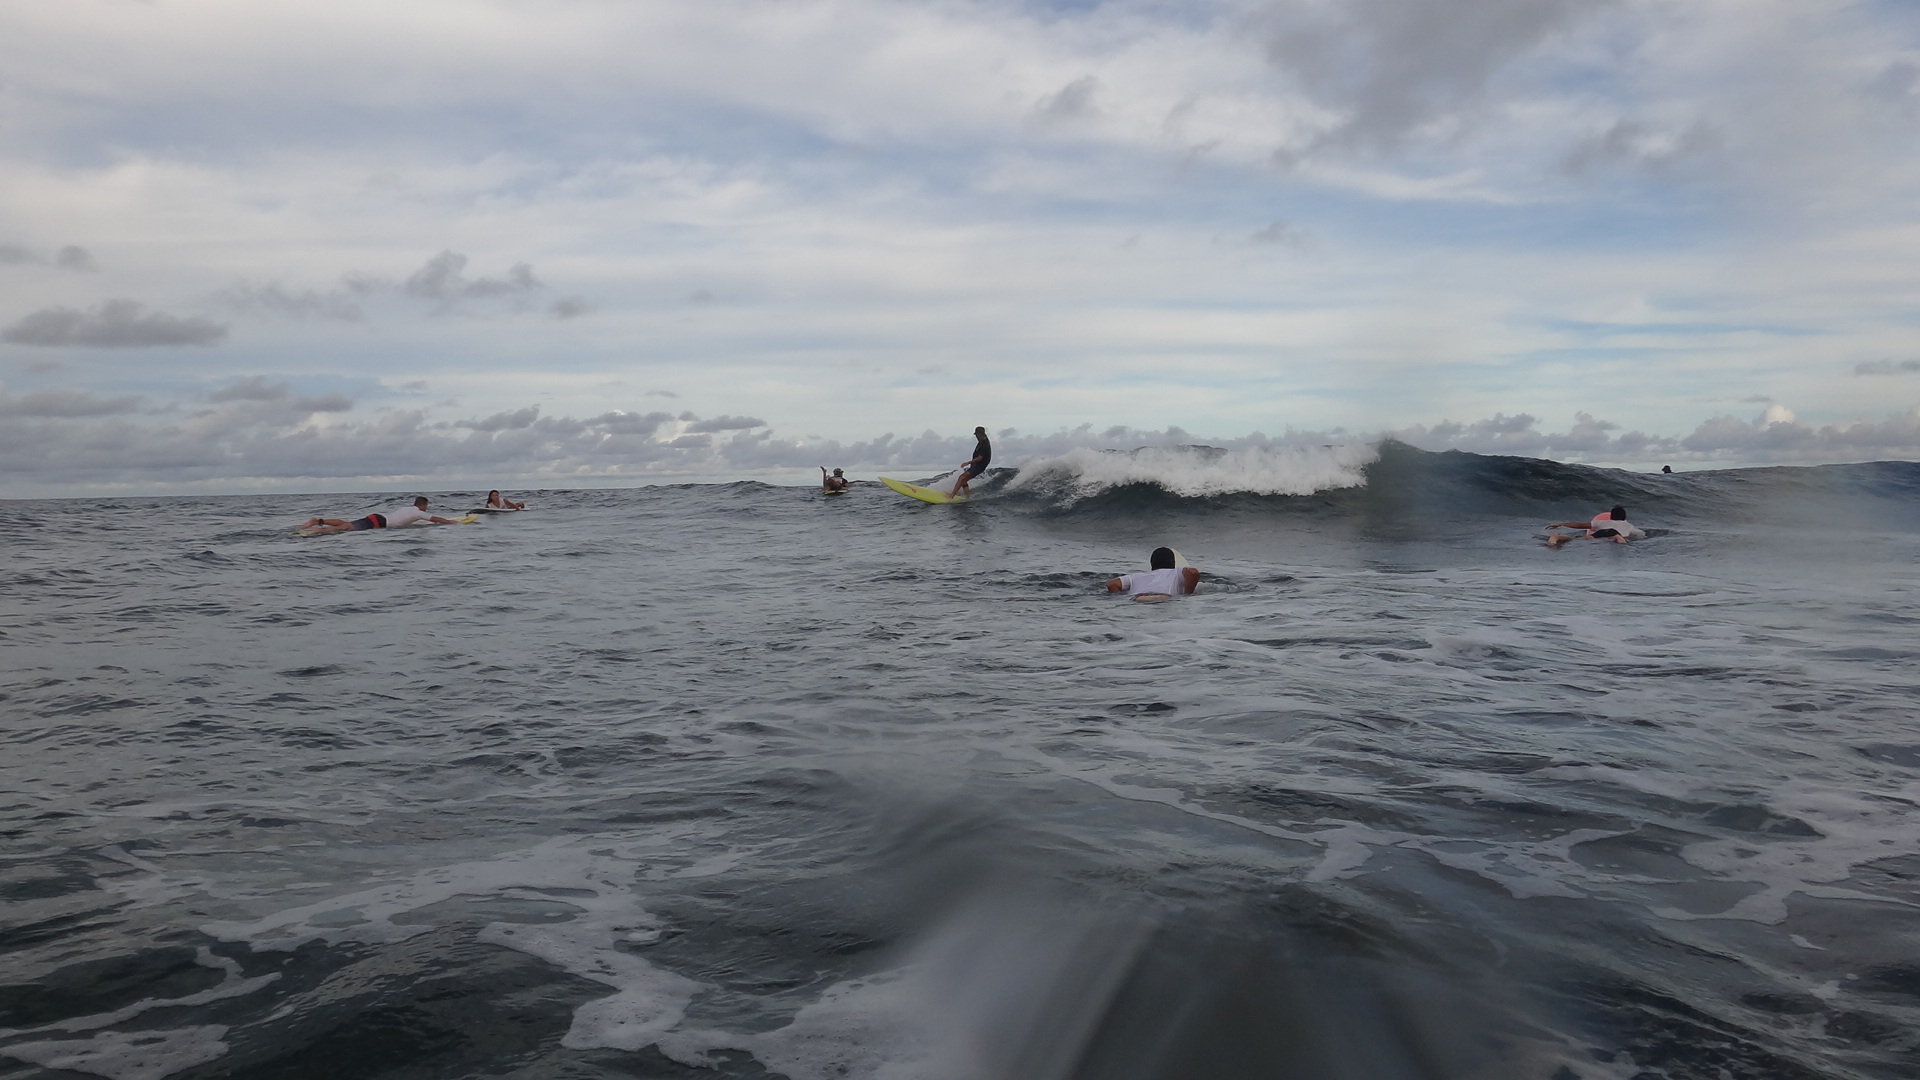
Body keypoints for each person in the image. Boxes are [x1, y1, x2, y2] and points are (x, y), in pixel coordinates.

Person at [301, 497, 461, 535]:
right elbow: (435, 519)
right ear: (424, 505)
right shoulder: (418, 512)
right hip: (379, 523)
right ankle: (317, 530)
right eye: (427, 506)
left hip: (377, 517)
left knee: (348, 523)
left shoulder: (407, 508)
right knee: (345, 528)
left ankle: (319, 521)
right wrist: (451, 522)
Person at [1107, 547, 1200, 601]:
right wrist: (1188, 594)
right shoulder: (1176, 572)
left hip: (1138, 599)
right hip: (1163, 597)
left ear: (1152, 563)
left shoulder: (1136, 576)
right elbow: (1193, 572)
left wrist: (1121, 598)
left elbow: (1112, 584)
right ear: (1173, 563)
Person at [1545, 505, 1644, 548]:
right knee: (1622, 541)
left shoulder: (1601, 522)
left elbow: (1580, 525)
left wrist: (1561, 524)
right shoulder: (1628, 525)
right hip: (1614, 534)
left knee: (1581, 539)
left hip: (1600, 532)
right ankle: (1618, 538)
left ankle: (1557, 537)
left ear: (1611, 516)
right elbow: (1639, 534)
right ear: (1625, 516)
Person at [947, 426, 992, 499]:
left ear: (980, 434)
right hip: (976, 465)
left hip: (979, 466)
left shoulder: (985, 444)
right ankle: (968, 495)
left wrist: (968, 462)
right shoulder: (981, 441)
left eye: (977, 435)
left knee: (961, 477)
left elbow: (980, 458)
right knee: (964, 480)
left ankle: (951, 495)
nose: (976, 437)